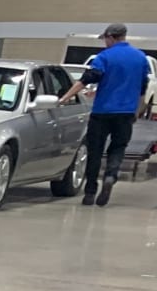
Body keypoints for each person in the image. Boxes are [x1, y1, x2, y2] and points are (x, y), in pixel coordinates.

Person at [62, 23, 151, 207]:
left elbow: (88, 79)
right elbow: (143, 88)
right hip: (126, 113)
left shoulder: (105, 57)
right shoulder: (140, 58)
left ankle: (90, 192)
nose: (104, 43)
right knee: (118, 148)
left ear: (111, 37)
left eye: (105, 39)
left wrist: (65, 97)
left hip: (102, 112)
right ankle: (110, 175)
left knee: (95, 151)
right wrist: (137, 111)